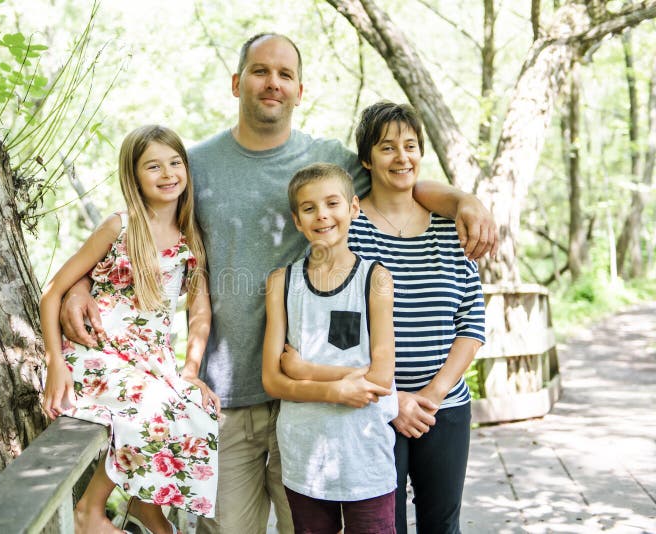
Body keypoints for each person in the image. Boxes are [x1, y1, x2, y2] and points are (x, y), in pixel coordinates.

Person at [59, 33, 497, 533]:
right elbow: (142, 233)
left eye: (285, 74)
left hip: (311, 403)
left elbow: (398, 175)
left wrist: (466, 202)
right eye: (261, 71)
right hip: (225, 398)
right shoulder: (193, 167)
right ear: (236, 82)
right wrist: (81, 284)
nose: (273, 83)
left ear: (300, 90)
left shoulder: (328, 163)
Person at [40, 125, 220, 534]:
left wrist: (190, 370)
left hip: (149, 362)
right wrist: (55, 364)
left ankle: (146, 506)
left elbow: (200, 309)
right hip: (98, 356)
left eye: (175, 163)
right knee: (154, 404)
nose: (168, 173)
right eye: (153, 166)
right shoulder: (119, 227)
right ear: (134, 176)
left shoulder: (189, 235)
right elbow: (52, 292)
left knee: (198, 407)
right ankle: (90, 509)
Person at [349, 101, 486, 533]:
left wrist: (431, 395)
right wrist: (392, 400)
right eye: (387, 148)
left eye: (410, 146)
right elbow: (340, 329)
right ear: (367, 159)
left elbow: (472, 324)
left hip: (444, 408)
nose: (402, 157)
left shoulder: (451, 227)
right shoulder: (349, 228)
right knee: (383, 526)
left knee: (443, 525)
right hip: (373, 408)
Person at [262, 163, 399, 534]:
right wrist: (338, 388)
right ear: (297, 220)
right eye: (309, 208)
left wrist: (307, 372)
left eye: (332, 203)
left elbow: (382, 378)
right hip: (305, 456)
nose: (322, 215)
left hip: (364, 456)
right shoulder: (281, 282)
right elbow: (272, 380)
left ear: (353, 208)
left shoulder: (376, 278)